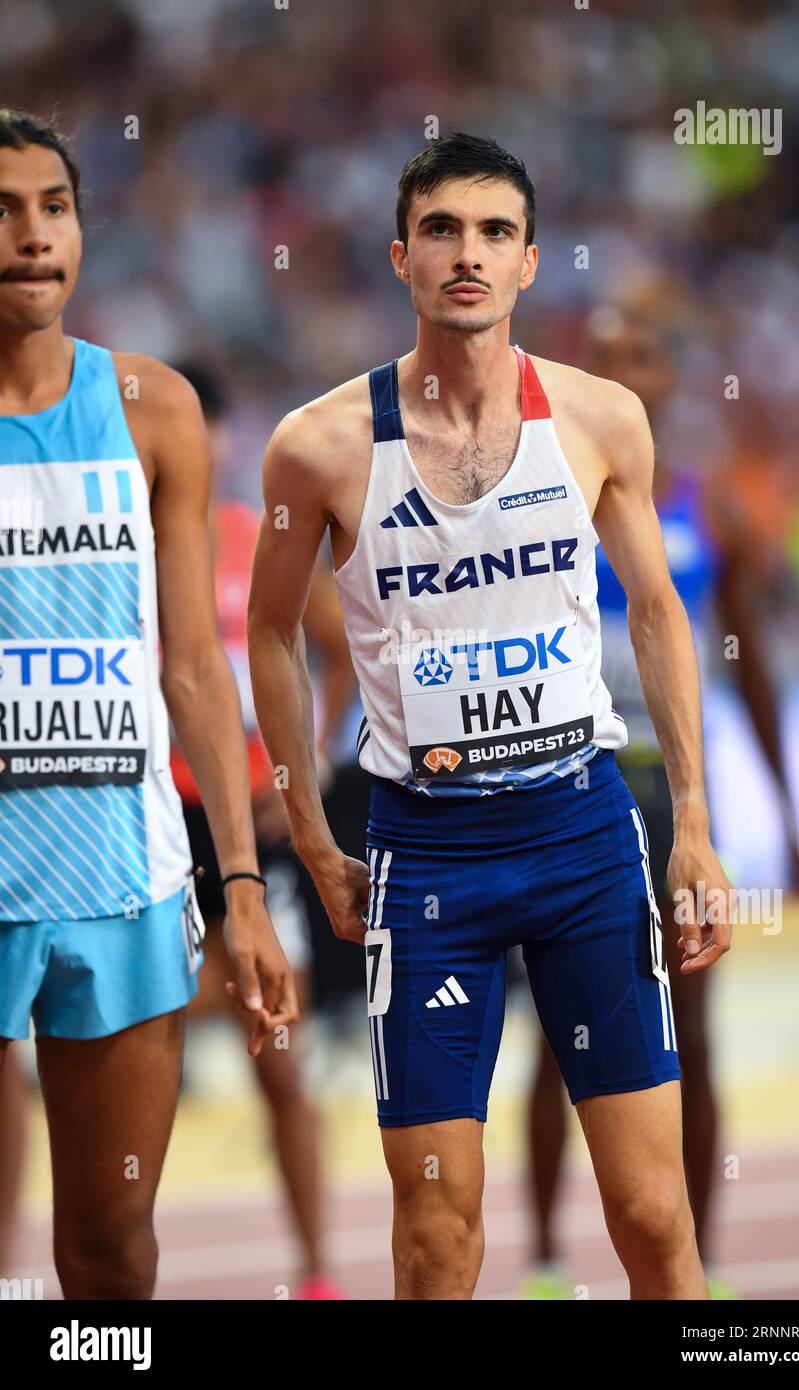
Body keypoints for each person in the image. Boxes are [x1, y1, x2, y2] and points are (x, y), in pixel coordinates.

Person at [248, 131, 732, 1300]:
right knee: (433, 1232)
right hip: (425, 856)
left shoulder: (599, 419)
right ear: (400, 255)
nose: (468, 254)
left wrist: (695, 824)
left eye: (495, 232)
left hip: (580, 832)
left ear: (526, 263)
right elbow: (267, 633)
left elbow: (662, 617)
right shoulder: (315, 447)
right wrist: (309, 833)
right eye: (442, 231)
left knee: (653, 1213)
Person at [0, 109, 296, 1300]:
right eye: (2, 211)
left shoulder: (152, 408)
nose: (30, 236)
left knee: (112, 1247)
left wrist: (240, 888)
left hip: (121, 878)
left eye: (53, 208)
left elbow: (191, 668)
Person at [521, 311, 799, 1300]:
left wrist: (790, 819)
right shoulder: (534, 491)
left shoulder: (711, 512)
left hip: (664, 788)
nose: (622, 376)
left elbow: (756, 669)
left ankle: (702, 1262)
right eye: (604, 362)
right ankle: (551, 1265)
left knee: (688, 1023)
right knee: (557, 1031)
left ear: (671, 379)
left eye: (640, 360)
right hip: (561, 778)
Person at [169, 361, 352, 1300]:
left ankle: (318, 1272)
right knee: (141, 1070)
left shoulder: (256, 539)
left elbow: (338, 647)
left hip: (255, 825)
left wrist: (306, 767)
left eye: (203, 426)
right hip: (160, 821)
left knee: (280, 1061)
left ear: (223, 439)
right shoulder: (126, 553)